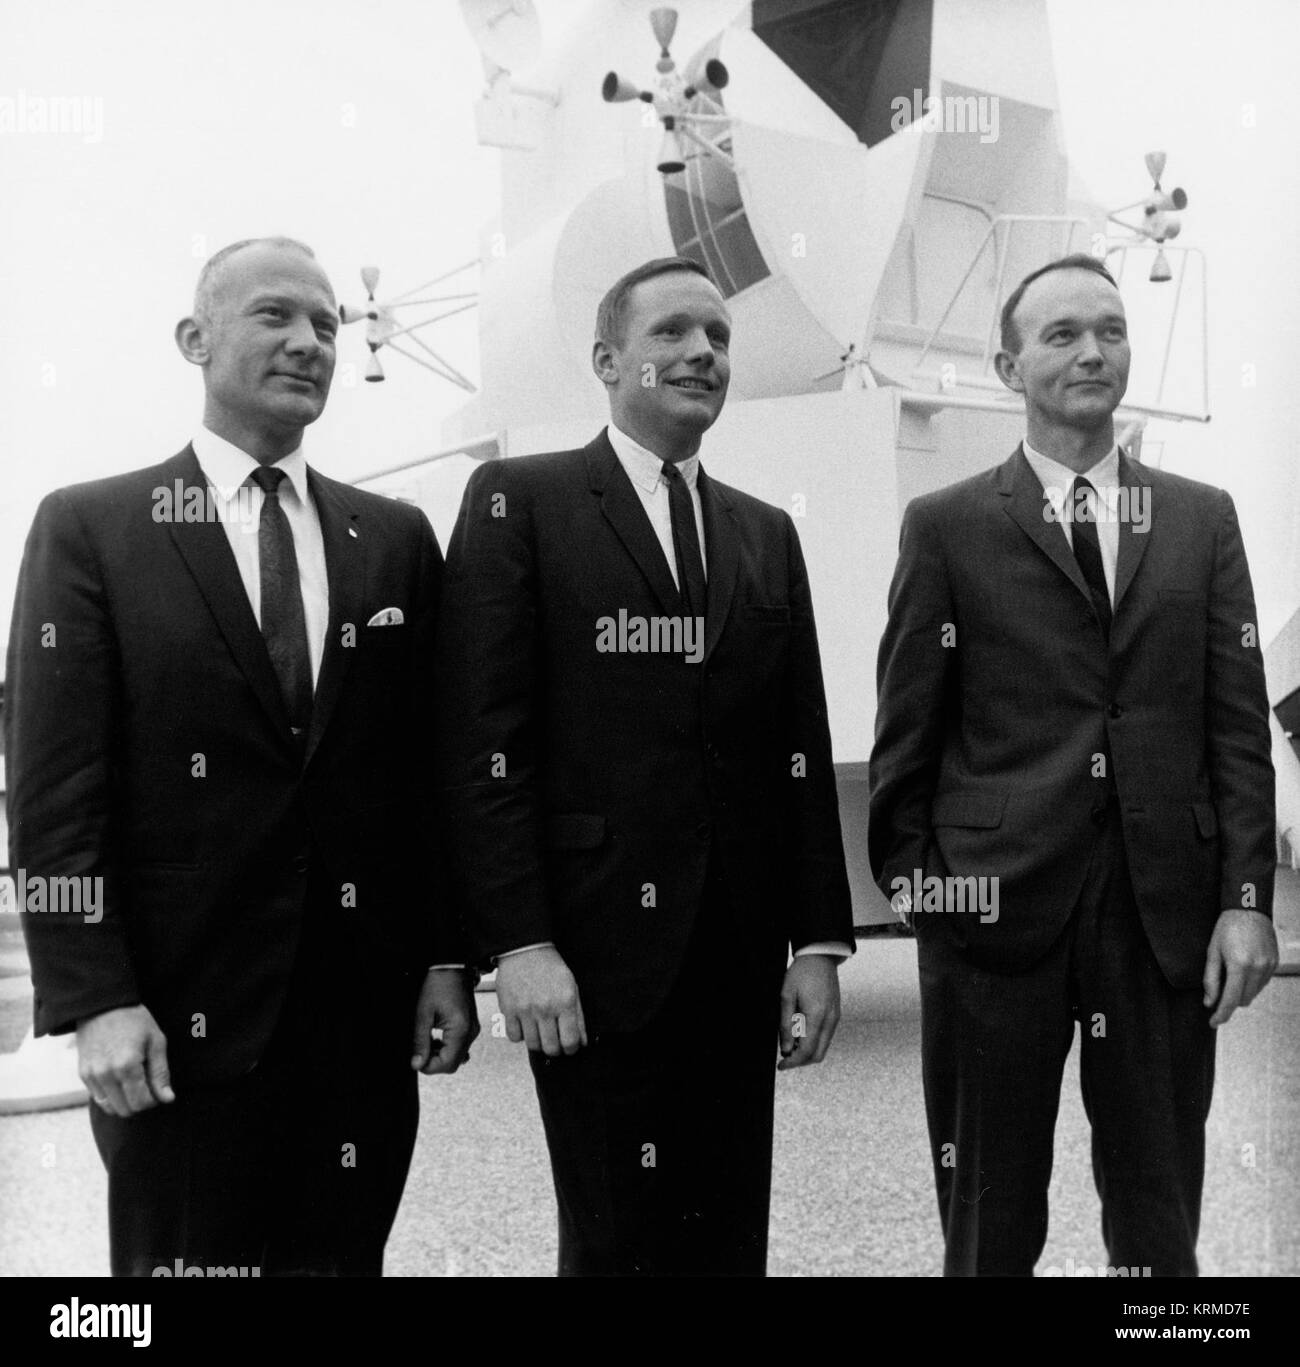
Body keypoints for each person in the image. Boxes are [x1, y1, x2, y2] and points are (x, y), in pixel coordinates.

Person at [5, 236, 479, 1277]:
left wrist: (448, 958)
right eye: (276, 316)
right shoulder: (94, 528)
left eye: (327, 324)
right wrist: (95, 998)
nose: (309, 341)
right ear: (195, 338)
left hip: (356, 1030)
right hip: (176, 1029)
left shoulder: (392, 537)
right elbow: (56, 791)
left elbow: (426, 775)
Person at [436, 256, 854, 1276]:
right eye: (671, 332)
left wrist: (819, 942)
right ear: (607, 358)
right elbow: (481, 743)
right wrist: (517, 940)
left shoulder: (764, 533)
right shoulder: (518, 504)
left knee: (725, 1237)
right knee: (616, 1235)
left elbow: (796, 747)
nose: (701, 352)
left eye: (716, 336)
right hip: (591, 956)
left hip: (735, 951)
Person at [868, 252, 1278, 1277]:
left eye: (1109, 329)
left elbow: (1235, 727)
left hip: (1159, 920)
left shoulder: (1199, 516)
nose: (1092, 350)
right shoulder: (947, 526)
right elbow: (905, 738)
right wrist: (933, 893)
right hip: (992, 923)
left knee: (1156, 1221)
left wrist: (1242, 898)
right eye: (1060, 334)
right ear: (1008, 366)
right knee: (988, 1222)